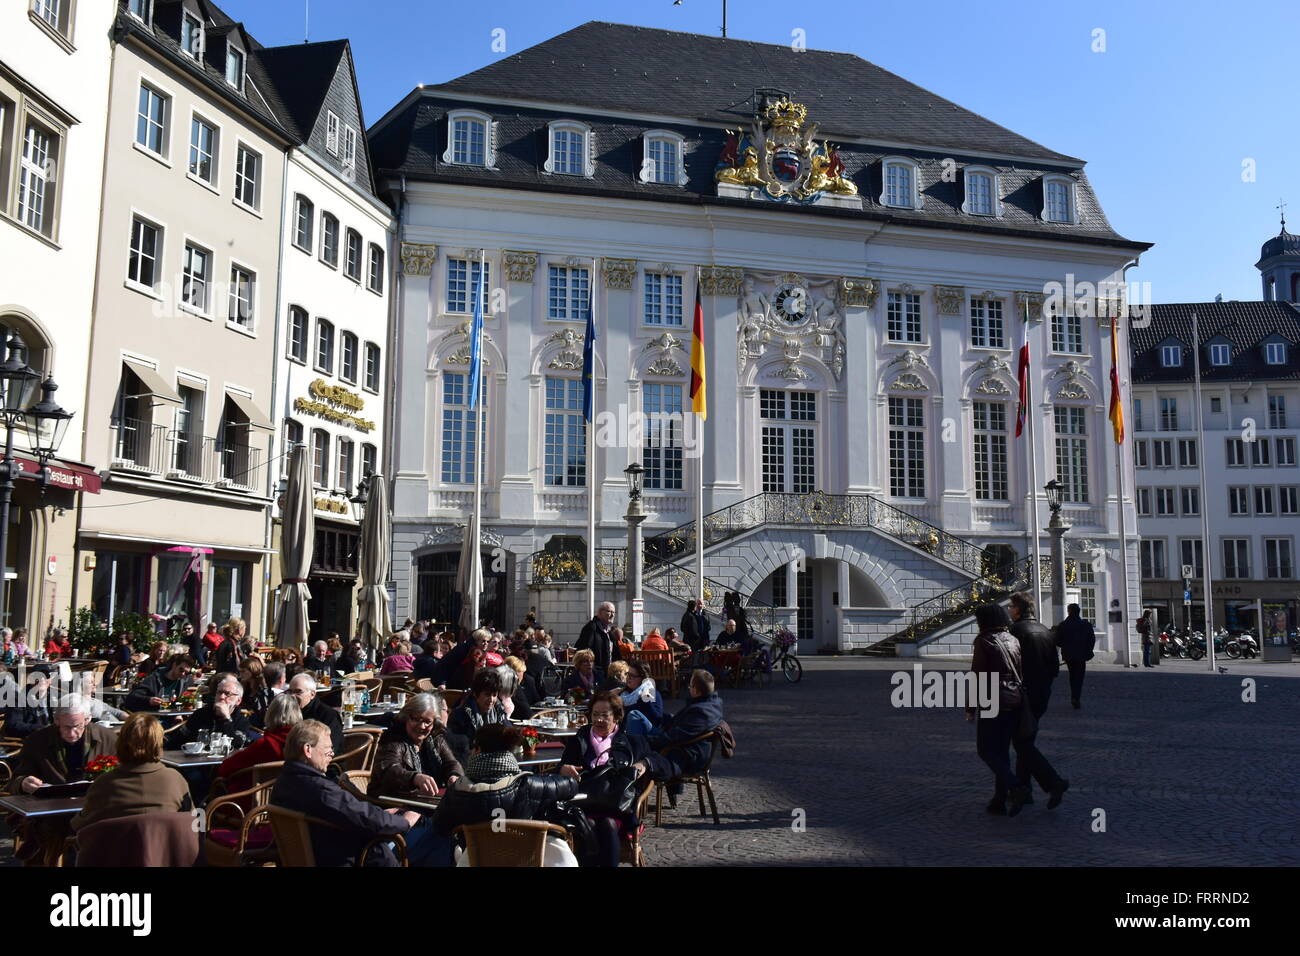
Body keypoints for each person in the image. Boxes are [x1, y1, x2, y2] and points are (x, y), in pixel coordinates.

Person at [271, 720, 420, 866]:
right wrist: (405, 821)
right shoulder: (320, 789)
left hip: (308, 855)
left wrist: (385, 816)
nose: (332, 753)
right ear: (308, 750)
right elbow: (364, 818)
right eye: (328, 749)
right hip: (341, 857)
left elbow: (357, 813)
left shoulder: (283, 781)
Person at [433, 724, 580, 866]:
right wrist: (557, 772)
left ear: (478, 750)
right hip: (526, 860)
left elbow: (440, 826)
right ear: (508, 753)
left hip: (475, 860)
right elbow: (571, 786)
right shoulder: (529, 785)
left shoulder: (457, 789)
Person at [6, 694, 117, 863]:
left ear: (87, 719)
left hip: (93, 806)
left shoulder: (107, 739)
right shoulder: (37, 741)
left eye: (77, 726)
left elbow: (122, 773)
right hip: (52, 810)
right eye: (66, 727)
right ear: (56, 720)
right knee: (54, 830)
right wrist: (24, 782)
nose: (72, 733)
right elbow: (16, 780)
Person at [558, 691, 659, 867]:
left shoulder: (630, 742)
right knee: (586, 823)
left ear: (617, 717)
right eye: (595, 714)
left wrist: (645, 763)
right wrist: (564, 768)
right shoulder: (580, 738)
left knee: (608, 824)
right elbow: (562, 766)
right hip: (584, 803)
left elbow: (662, 763)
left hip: (617, 805)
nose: (598, 720)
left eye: (605, 715)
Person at [71, 713, 191, 832]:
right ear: (159, 743)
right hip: (164, 849)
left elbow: (79, 825)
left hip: (116, 850)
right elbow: (191, 822)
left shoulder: (104, 784)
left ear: (121, 742)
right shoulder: (176, 780)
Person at [965, 603, 1031, 816]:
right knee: (1002, 751)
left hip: (993, 699)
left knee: (985, 750)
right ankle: (999, 799)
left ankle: (1015, 786)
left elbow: (977, 675)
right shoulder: (1013, 639)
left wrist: (971, 707)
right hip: (1014, 699)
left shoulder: (984, 641)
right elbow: (1020, 671)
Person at [1008, 592, 1068, 810]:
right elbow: (1055, 667)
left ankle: (1054, 783)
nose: (1008, 610)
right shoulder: (1044, 630)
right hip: (1042, 693)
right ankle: (1026, 790)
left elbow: (1011, 665)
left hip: (1022, 694)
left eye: (1011, 606)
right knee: (1026, 740)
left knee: (1021, 742)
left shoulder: (1015, 631)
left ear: (1019, 609)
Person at [647, 669, 724, 805]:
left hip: (686, 756)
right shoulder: (711, 704)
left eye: (690, 686)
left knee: (640, 742)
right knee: (639, 718)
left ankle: (636, 799)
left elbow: (676, 736)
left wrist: (649, 741)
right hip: (687, 748)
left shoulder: (701, 712)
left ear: (695, 690)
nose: (689, 688)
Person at [217, 693, 303, 798]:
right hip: (291, 802)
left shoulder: (265, 745)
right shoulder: (304, 745)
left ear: (270, 714)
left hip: (253, 803)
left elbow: (224, 768)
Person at [168, 673, 254, 749]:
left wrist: (226, 719)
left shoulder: (241, 720)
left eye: (227, 694)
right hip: (196, 762)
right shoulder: (201, 714)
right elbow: (177, 741)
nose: (222, 697)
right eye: (219, 692)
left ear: (238, 701)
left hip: (224, 764)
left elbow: (237, 745)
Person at [286, 672, 345, 756]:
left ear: (312, 694)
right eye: (290, 692)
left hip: (326, 764)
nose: (292, 696)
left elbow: (330, 748)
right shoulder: (287, 711)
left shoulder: (327, 715)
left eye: (298, 692)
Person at [447, 668, 508, 739]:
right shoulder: (459, 716)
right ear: (476, 694)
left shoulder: (499, 712)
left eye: (494, 695)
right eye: (487, 694)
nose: (491, 700)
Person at [1056, 603, 1097, 709]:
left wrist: (1065, 646)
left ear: (1069, 611)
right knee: (1079, 676)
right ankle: (1076, 697)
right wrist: (1088, 650)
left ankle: (1074, 695)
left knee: (1072, 675)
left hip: (1069, 655)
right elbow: (1091, 639)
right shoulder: (1085, 624)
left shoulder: (1063, 625)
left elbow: (1058, 641)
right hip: (1081, 655)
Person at [125, 654, 195, 712]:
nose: (183, 674)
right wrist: (149, 700)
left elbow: (184, 703)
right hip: (154, 718)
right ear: (174, 665)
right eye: (181, 669)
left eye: (186, 672)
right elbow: (132, 697)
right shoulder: (155, 678)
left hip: (172, 719)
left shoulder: (185, 681)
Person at [5, 663, 55, 738]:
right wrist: (38, 728)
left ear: (50, 680)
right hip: (33, 740)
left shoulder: (56, 696)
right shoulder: (18, 699)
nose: (42, 679)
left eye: (46, 676)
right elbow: (13, 726)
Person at [620, 660, 664, 734]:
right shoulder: (624, 693)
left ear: (643, 678)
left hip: (649, 734)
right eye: (628, 674)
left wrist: (645, 701)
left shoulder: (651, 693)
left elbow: (657, 720)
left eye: (633, 676)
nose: (629, 678)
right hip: (626, 733)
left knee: (633, 714)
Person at [576, 602, 616, 671]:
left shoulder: (609, 632)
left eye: (614, 612)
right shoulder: (591, 628)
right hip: (596, 673)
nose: (612, 615)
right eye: (609, 611)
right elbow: (585, 650)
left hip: (608, 672)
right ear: (600, 612)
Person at [241, 657, 273, 721]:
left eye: (243, 671)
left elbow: (264, 707)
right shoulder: (244, 686)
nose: (241, 674)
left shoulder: (263, 688)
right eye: (240, 671)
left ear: (252, 670)